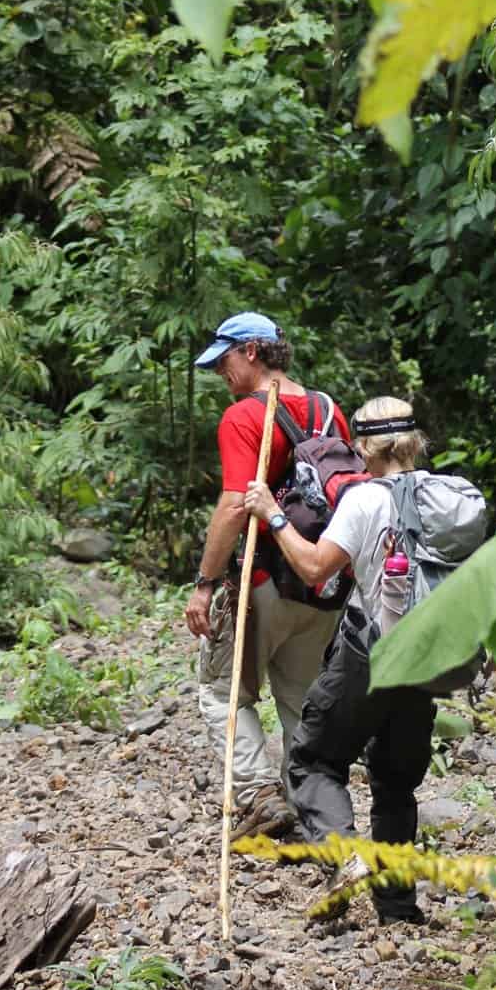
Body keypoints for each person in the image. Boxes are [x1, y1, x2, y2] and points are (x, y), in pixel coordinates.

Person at [243, 395, 483, 924]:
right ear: (416, 442)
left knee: (313, 760)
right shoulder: (451, 499)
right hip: (427, 660)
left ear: (361, 448)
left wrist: (273, 514)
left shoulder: (365, 499)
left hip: (371, 654)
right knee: (396, 783)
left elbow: (313, 568)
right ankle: (399, 910)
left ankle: (344, 854)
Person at [185, 312, 351, 839]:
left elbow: (236, 504)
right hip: (323, 578)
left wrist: (206, 582)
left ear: (252, 352)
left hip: (264, 578)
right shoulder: (329, 410)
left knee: (221, 689)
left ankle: (256, 794)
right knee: (301, 697)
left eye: (225, 361)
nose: (222, 374)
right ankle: (309, 808)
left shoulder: (243, 416)